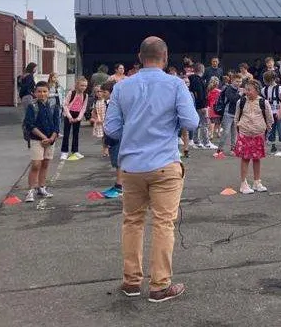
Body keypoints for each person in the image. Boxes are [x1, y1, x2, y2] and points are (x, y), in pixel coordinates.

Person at [104, 36, 198, 303]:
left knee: (132, 222)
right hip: (164, 163)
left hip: (131, 167)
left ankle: (131, 281)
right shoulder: (175, 85)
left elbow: (111, 129)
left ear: (139, 56)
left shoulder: (122, 87)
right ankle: (159, 285)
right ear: (165, 56)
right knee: (163, 223)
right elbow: (191, 121)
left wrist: (133, 133)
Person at [22, 81, 60, 203]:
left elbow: (57, 123)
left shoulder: (53, 105)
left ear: (49, 92)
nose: (42, 94)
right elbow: (30, 124)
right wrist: (43, 137)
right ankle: (31, 190)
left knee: (45, 164)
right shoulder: (32, 106)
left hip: (50, 140)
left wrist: (52, 137)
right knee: (36, 164)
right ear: (34, 93)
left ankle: (42, 187)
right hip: (37, 139)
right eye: (39, 91)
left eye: (44, 91)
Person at [234, 80, 273, 194]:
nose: (247, 92)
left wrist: (266, 129)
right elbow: (236, 117)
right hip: (244, 133)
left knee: (257, 158)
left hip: (258, 134)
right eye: (246, 89)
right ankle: (243, 183)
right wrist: (239, 129)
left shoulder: (263, 102)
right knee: (245, 158)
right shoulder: (240, 101)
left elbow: (270, 118)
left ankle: (257, 182)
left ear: (257, 90)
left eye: (249, 89)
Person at [99, 80, 125, 199]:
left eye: (105, 92)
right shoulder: (109, 103)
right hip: (114, 135)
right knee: (117, 162)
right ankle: (119, 184)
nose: (102, 94)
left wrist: (107, 142)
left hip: (117, 136)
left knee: (119, 161)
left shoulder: (115, 104)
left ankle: (119, 186)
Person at [59, 78, 89, 161]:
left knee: (76, 134)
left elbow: (83, 107)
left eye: (85, 86)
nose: (83, 87)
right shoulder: (71, 93)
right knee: (66, 133)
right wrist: (69, 117)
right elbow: (65, 105)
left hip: (78, 114)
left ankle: (75, 151)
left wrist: (79, 118)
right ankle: (64, 152)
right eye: (82, 85)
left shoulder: (86, 95)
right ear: (77, 85)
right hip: (69, 113)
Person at [217, 74, 242, 158]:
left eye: (240, 81)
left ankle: (233, 149)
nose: (238, 83)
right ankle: (220, 150)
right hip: (228, 113)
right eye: (237, 81)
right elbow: (233, 99)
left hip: (236, 114)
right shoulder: (228, 89)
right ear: (232, 81)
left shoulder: (240, 90)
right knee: (226, 132)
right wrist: (240, 94)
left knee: (234, 133)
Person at [261, 72, 281, 155]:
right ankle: (273, 146)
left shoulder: (279, 88)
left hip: (278, 112)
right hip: (270, 113)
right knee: (271, 130)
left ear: (272, 79)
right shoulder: (264, 89)